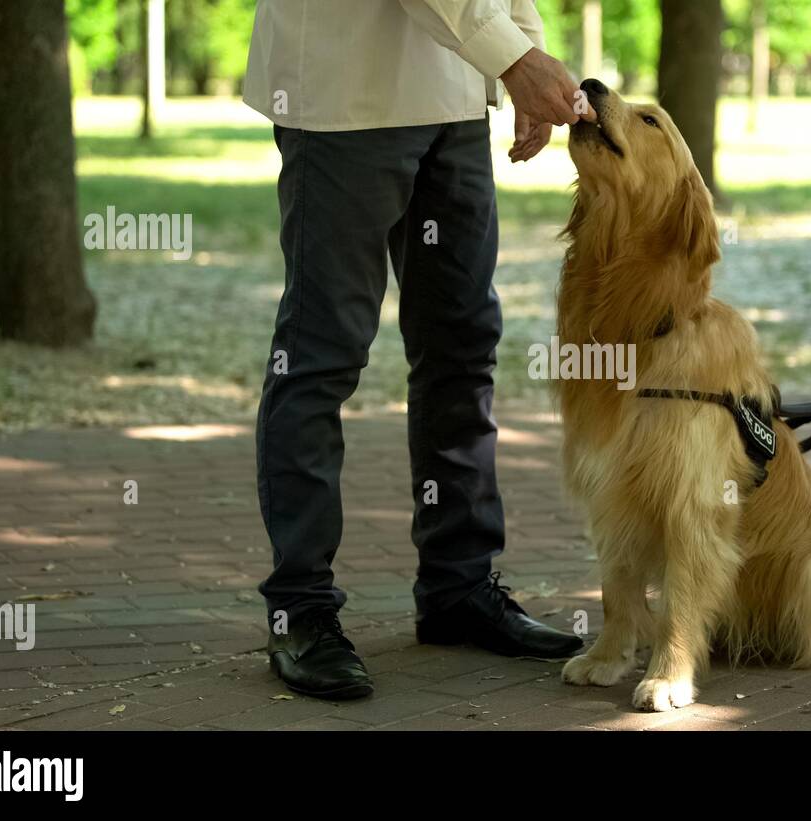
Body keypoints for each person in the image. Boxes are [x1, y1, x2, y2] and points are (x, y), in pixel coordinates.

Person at [242, 0, 592, 700]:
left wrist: (519, 52)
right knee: (321, 353)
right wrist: (516, 61)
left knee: (462, 344)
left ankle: (458, 585)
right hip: (343, 94)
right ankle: (300, 608)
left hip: (457, 92)